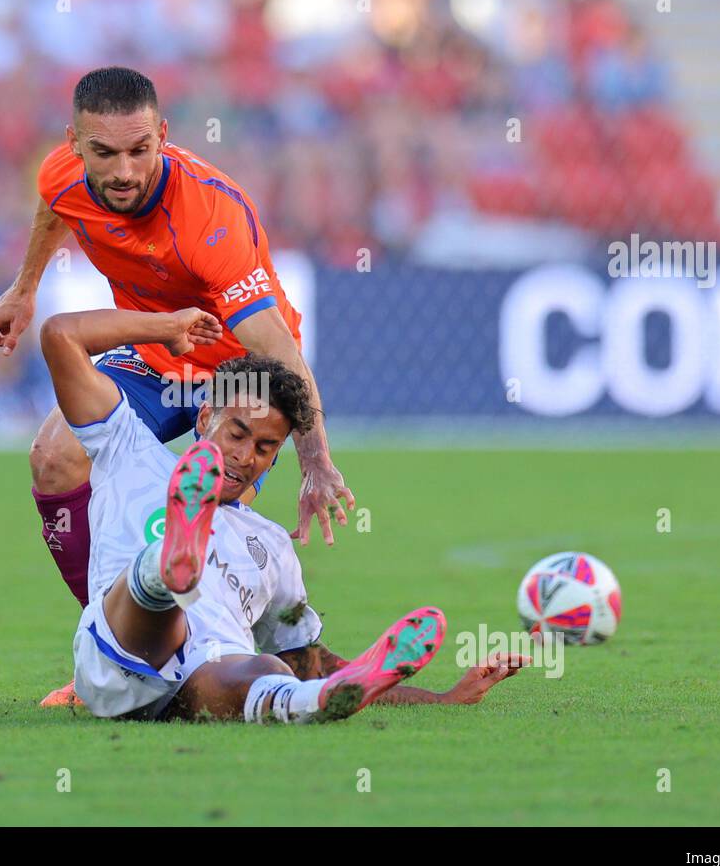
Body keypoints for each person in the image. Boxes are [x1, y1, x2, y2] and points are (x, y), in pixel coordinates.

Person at [0, 67, 352, 619]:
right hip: (156, 358)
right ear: (74, 144)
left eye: (140, 150)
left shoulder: (209, 218)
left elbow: (278, 352)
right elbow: (56, 206)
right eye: (103, 153)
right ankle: (108, 635)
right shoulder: (61, 175)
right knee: (54, 458)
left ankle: (213, 655)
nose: (124, 171)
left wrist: (316, 462)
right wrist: (23, 288)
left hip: (237, 369)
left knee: (209, 508)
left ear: (163, 136)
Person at [41, 303, 529, 722]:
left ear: (276, 456)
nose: (245, 456)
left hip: (193, 689)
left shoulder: (271, 546)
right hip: (120, 649)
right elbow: (60, 335)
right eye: (236, 434)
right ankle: (168, 564)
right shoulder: (129, 449)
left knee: (273, 672)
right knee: (157, 597)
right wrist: (166, 327)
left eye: (265, 447)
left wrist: (444, 699)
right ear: (205, 417)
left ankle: (320, 703)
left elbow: (308, 658)